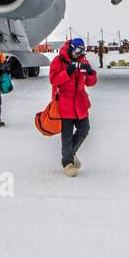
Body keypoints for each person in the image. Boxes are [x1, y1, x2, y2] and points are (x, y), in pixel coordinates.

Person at [50, 38, 97, 176]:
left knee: (84, 129)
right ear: (71, 48)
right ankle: (67, 163)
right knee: (67, 136)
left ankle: (70, 153)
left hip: (80, 104)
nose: (78, 54)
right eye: (77, 51)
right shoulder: (58, 61)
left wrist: (90, 72)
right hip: (65, 104)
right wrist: (67, 73)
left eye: (81, 52)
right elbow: (53, 80)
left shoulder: (82, 62)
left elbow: (90, 83)